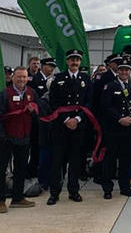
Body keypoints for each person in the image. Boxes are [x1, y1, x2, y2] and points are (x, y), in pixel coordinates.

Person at [47, 49, 91, 205]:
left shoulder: (85, 78)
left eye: (77, 60)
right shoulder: (58, 79)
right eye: (72, 59)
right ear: (67, 61)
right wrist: (66, 119)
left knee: (75, 161)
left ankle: (74, 191)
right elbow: (53, 103)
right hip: (61, 127)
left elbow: (89, 102)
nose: (75, 62)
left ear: (80, 62)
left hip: (78, 127)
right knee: (57, 161)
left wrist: (78, 119)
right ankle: (54, 192)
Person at [0, 66, 37, 213]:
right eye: (19, 77)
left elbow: (38, 112)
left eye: (24, 77)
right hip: (6, 139)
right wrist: (2, 136)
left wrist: (34, 111)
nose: (22, 80)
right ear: (13, 77)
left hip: (23, 138)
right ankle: (0, 200)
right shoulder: (4, 94)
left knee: (21, 170)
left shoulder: (31, 93)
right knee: (1, 170)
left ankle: (18, 198)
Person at [99, 60, 131, 199]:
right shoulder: (110, 86)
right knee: (110, 160)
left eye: (127, 70)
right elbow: (106, 106)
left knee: (126, 160)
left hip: (128, 129)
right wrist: (119, 119)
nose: (124, 72)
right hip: (114, 129)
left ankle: (124, 187)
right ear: (118, 71)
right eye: (122, 70)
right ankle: (107, 188)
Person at [27, 57, 56, 181]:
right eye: (50, 66)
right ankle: (32, 170)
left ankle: (40, 170)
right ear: (43, 66)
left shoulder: (52, 80)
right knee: (35, 147)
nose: (52, 69)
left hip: (47, 121)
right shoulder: (34, 80)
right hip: (36, 120)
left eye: (53, 67)